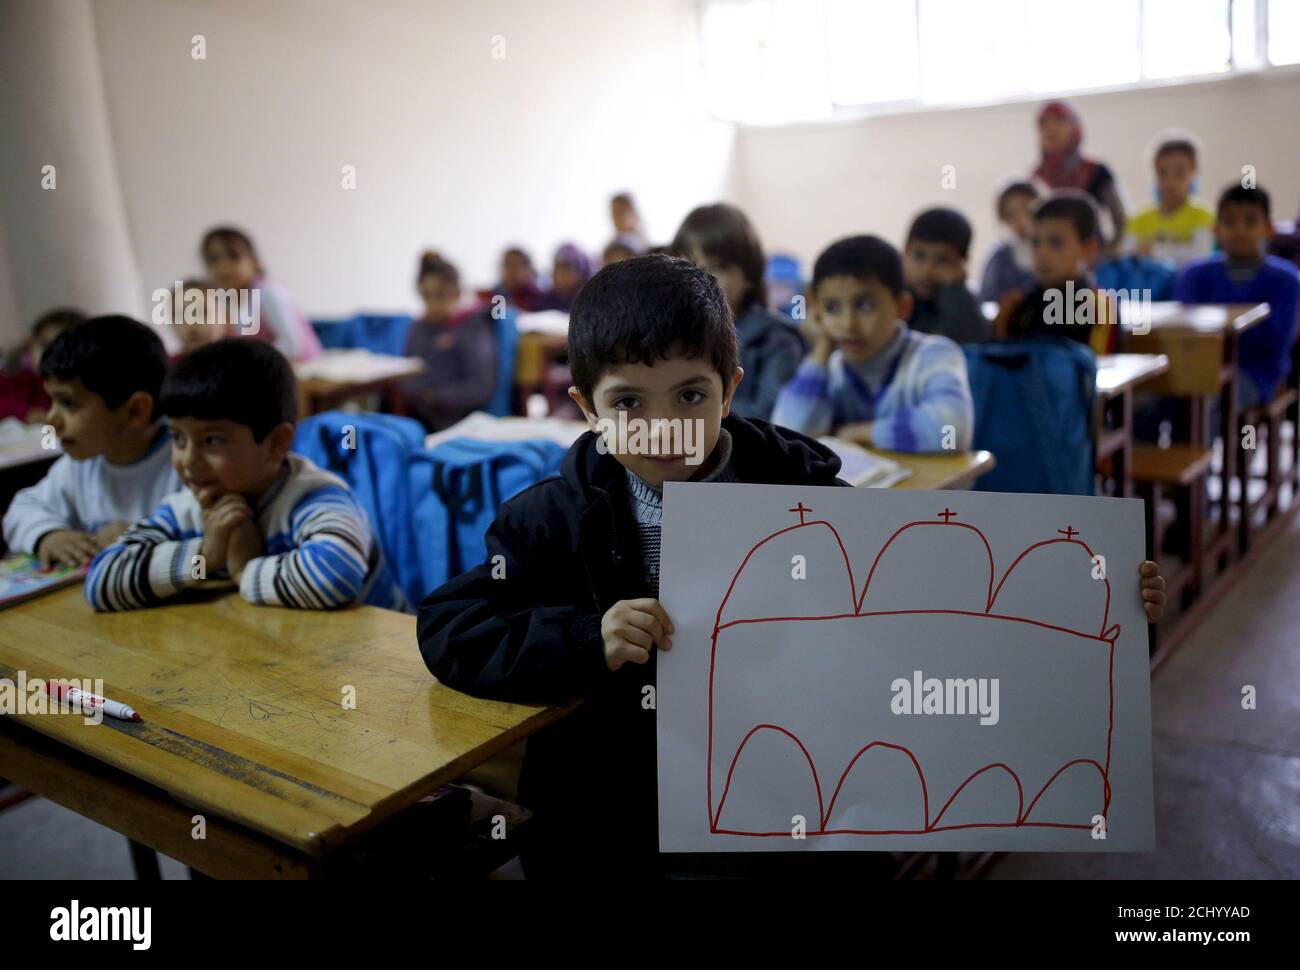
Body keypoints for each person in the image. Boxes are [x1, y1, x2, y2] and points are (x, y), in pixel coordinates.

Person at [417, 252, 1167, 880]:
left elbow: (941, 607)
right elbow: (451, 627)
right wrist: (588, 638)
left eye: (690, 395)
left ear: (731, 390)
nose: (664, 427)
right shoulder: (552, 519)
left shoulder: (807, 499)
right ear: (586, 408)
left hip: (790, 816)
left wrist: (1098, 599)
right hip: (618, 824)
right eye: (629, 404)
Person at [84, 339, 406, 612]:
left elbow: (335, 575)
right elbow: (101, 580)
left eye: (212, 440)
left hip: (376, 657)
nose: (189, 460)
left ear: (276, 443)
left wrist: (245, 571)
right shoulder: (185, 509)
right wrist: (205, 555)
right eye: (178, 438)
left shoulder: (315, 498)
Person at [3, 316, 179, 567]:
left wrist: (147, 539)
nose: (51, 419)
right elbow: (21, 510)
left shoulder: (186, 463)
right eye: (51, 401)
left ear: (135, 411)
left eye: (68, 403)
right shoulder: (80, 466)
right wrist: (49, 535)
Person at [772, 234, 973, 452]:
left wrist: (854, 433)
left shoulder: (934, 354)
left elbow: (952, 433)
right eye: (832, 308)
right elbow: (785, 441)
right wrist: (820, 352)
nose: (848, 325)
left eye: (865, 306)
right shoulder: (828, 370)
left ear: (902, 307)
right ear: (816, 309)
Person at [671, 203, 802, 421]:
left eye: (718, 267)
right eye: (689, 265)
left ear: (749, 276)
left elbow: (770, 417)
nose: (701, 278)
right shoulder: (673, 331)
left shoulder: (775, 338)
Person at [1173, 185, 1300, 409]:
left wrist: (1220, 336)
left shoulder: (1286, 280)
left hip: (1257, 374)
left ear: (1269, 229)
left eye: (1250, 221)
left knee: (1208, 399)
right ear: (1216, 230)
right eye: (1230, 222)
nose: (1240, 230)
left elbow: (1276, 342)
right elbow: (1180, 329)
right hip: (1194, 368)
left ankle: (1206, 435)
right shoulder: (1195, 274)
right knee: (1150, 398)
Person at [995, 190, 1117, 355]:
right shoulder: (1017, 309)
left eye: (1056, 243)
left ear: (1088, 249)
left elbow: (1097, 366)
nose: (1042, 252)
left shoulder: (1099, 310)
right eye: (1035, 242)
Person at [399, 251, 497, 431]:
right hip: (418, 415)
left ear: (457, 293)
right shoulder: (418, 328)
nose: (432, 304)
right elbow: (408, 373)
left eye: (440, 295)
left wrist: (435, 397)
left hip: (457, 421)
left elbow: (480, 388)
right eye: (426, 296)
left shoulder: (472, 328)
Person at [201, 226, 322, 361]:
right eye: (213, 260)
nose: (223, 267)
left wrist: (242, 356)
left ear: (254, 261)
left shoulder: (268, 291)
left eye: (234, 256)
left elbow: (294, 347)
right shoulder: (222, 300)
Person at [1034, 101, 1126, 252]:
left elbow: (1121, 220)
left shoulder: (1097, 171)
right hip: (1050, 260)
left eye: (1058, 121)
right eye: (1044, 124)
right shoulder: (1036, 179)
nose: (1051, 129)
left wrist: (1108, 254)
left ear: (1074, 126)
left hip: (1093, 256)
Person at [1125, 134, 1215, 267]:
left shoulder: (1204, 215)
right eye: (1162, 173)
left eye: (1180, 172)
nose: (1170, 181)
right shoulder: (1137, 219)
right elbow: (1126, 258)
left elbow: (1199, 257)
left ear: (1193, 171)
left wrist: (1153, 251)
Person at [903, 207, 989, 343]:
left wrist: (954, 289)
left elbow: (944, 345)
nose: (928, 269)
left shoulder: (962, 303)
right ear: (904, 253)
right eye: (919, 256)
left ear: (962, 263)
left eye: (942, 260)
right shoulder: (892, 298)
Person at [0, 308, 84, 422]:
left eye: (62, 349)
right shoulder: (16, 376)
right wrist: (26, 412)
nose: (49, 354)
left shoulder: (78, 387)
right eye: (44, 345)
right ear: (30, 343)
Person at [979, 180, 1040, 304]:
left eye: (1027, 210)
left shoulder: (1056, 252)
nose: (1021, 219)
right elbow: (986, 298)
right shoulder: (1000, 258)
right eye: (1012, 214)